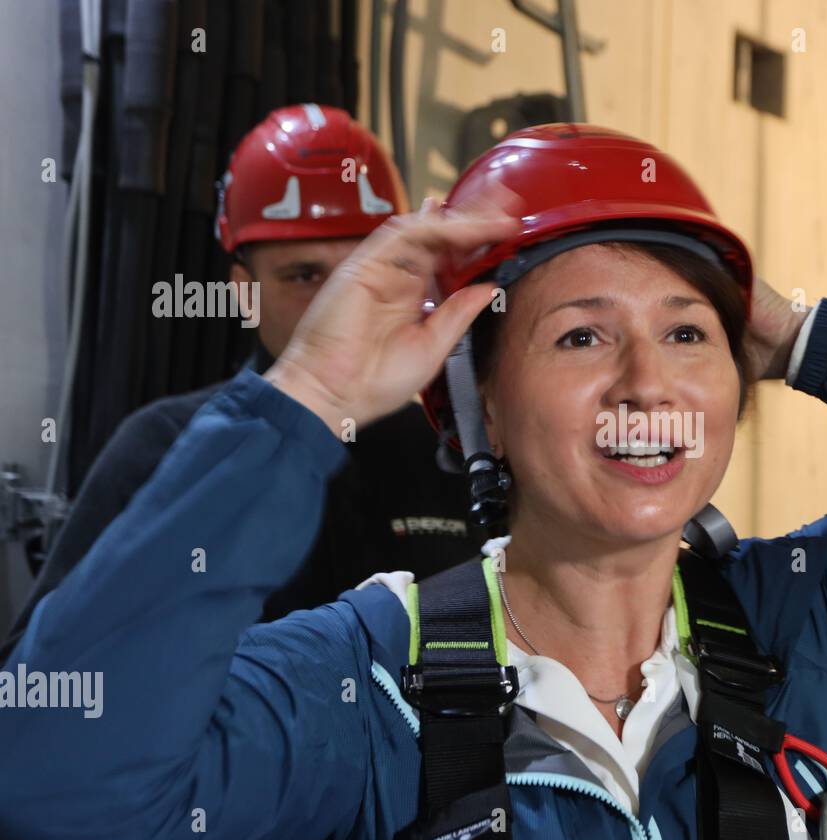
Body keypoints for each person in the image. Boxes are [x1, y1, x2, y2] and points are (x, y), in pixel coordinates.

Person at [0, 124, 827, 840]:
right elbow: (61, 788)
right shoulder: (366, 679)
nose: (648, 382)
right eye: (581, 335)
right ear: (484, 405)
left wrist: (808, 336)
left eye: (689, 332)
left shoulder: (820, 607)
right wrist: (307, 393)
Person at [4, 104, 477, 652]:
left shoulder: (450, 453)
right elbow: (34, 687)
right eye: (304, 275)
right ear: (242, 289)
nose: (339, 303)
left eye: (362, 272)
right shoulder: (162, 449)